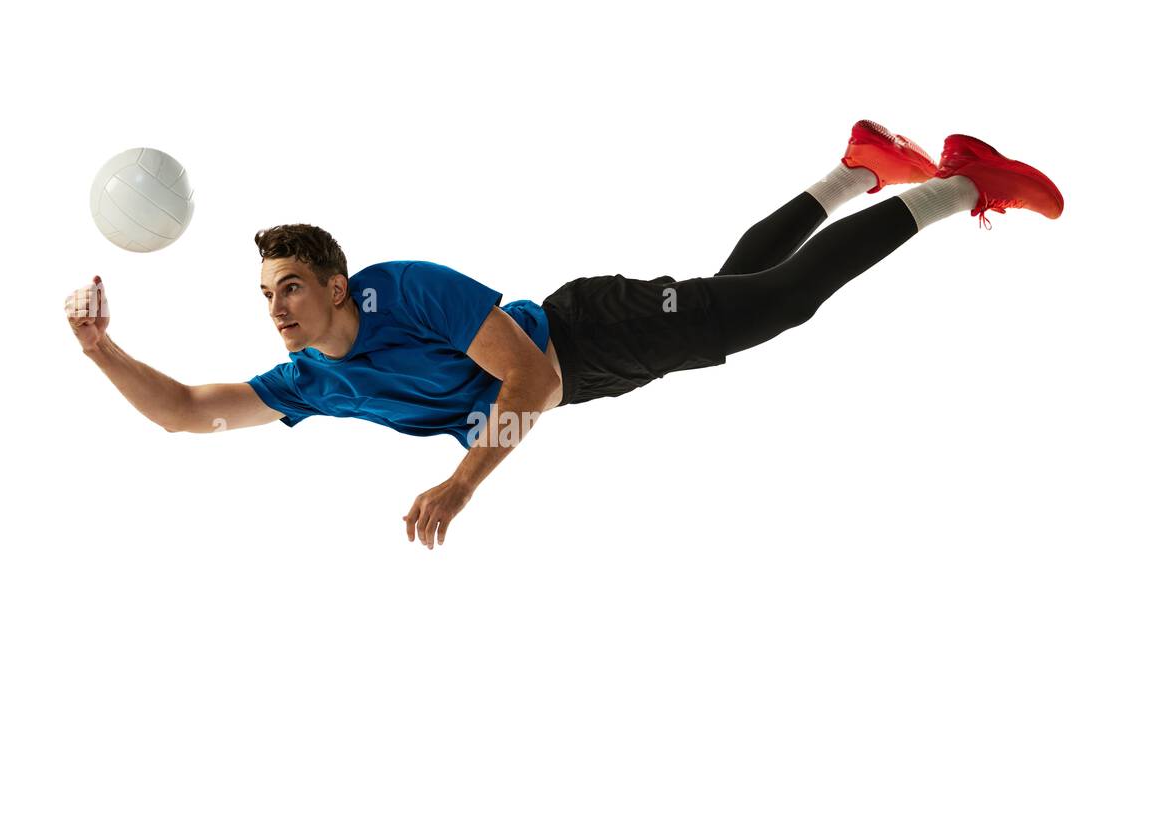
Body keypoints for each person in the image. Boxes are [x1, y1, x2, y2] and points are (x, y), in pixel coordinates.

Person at [64, 121, 1063, 550]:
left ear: (333, 283)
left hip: (581, 332)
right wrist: (104, 352)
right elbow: (189, 414)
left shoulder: (404, 290)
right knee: (738, 291)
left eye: (290, 288)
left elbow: (530, 380)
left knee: (768, 308)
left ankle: (962, 180)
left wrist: (459, 483)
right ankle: (859, 166)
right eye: (264, 296)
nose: (276, 310)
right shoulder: (312, 380)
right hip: (591, 371)